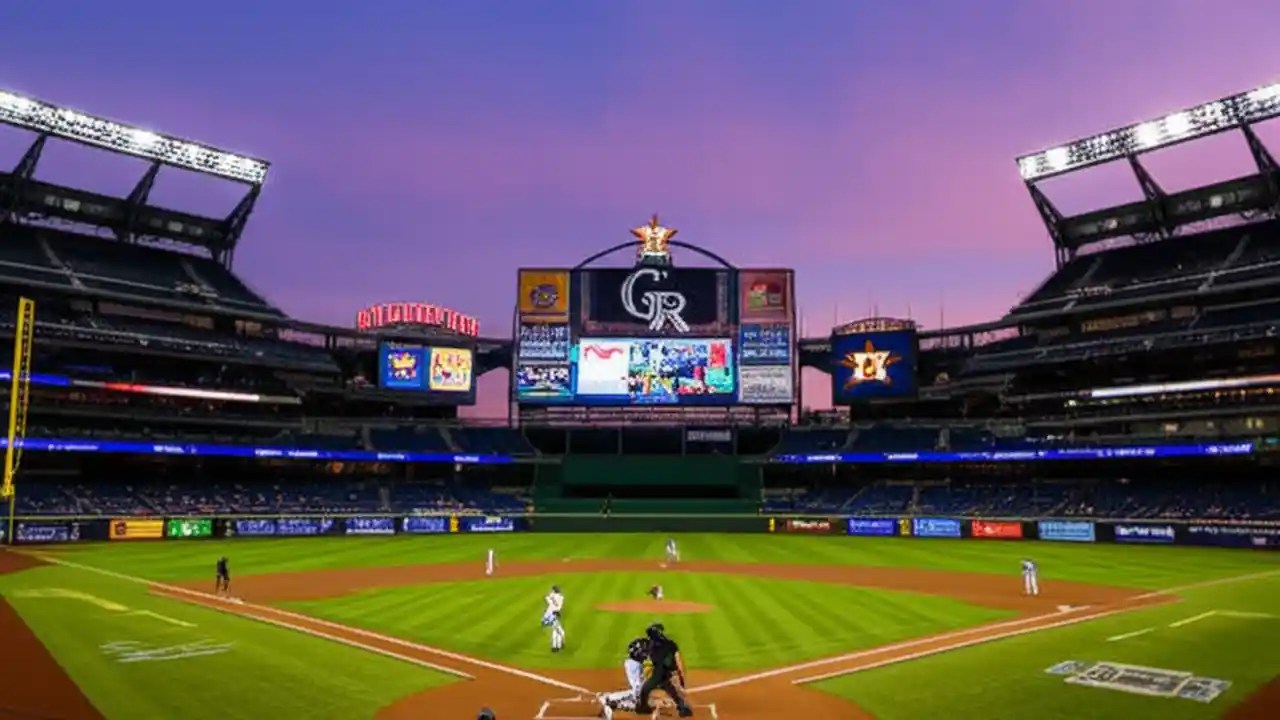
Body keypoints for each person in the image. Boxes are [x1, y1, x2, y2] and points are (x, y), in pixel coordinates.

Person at [637, 623, 694, 717]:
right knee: (672, 690)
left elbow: (647, 661)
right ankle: (682, 708)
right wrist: (681, 678)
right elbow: (678, 661)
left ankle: (643, 707)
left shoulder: (650, 646)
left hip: (657, 674)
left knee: (645, 689)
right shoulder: (671, 644)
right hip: (669, 674)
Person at [596, 636, 650, 719]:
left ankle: (611, 700)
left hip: (637, 683)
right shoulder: (634, 665)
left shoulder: (635, 663)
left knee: (641, 697)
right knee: (638, 697)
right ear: (638, 653)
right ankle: (609, 699)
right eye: (644, 651)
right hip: (636, 690)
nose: (646, 653)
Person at [542, 585, 566, 652]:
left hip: (548, 615)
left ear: (553, 590)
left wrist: (550, 595)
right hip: (554, 615)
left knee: (555, 631)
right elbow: (558, 607)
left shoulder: (550, 595)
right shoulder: (561, 597)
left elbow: (546, 598)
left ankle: (555, 647)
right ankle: (559, 645)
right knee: (560, 631)